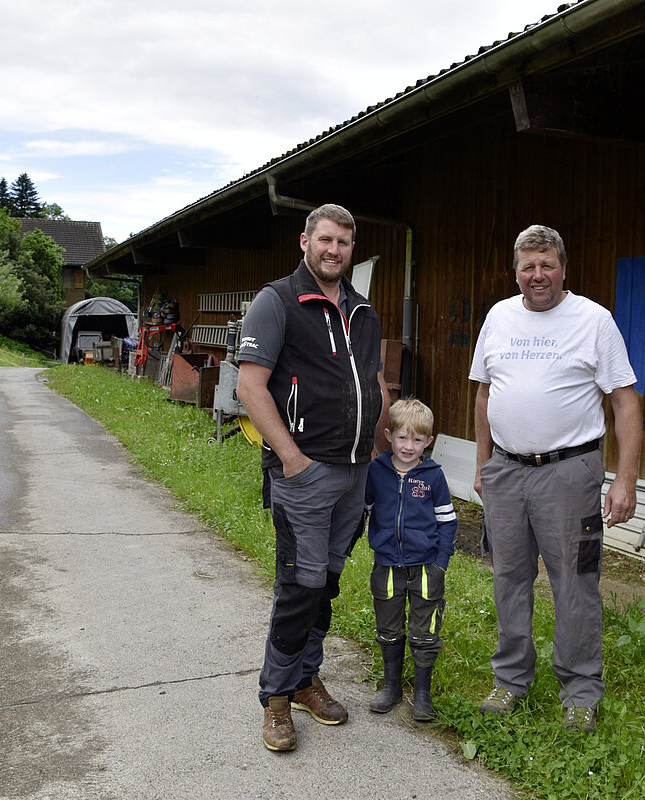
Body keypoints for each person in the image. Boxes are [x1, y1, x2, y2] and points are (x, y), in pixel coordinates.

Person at [469, 224, 641, 734]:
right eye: (528, 266)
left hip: (570, 473)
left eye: (547, 265)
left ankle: (581, 691)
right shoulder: (499, 317)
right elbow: (484, 393)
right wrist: (483, 463)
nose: (537, 275)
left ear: (563, 268)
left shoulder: (593, 320)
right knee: (508, 579)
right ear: (516, 272)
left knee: (575, 583)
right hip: (506, 471)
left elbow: (625, 402)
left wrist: (626, 478)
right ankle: (510, 680)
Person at [236, 203, 391, 752]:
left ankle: (305, 679)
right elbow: (250, 387)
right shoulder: (277, 301)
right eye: (325, 239)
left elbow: (374, 384)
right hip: (305, 472)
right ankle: (276, 699)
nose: (334, 250)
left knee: (326, 582)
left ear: (352, 249)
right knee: (299, 586)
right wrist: (291, 458)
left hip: (355, 472)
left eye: (343, 243)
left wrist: (382, 453)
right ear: (305, 241)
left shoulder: (363, 310)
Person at [364, 398, 458, 722]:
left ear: (428, 441)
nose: (408, 446)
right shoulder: (376, 471)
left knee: (425, 630)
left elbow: (447, 521)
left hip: (426, 567)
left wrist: (441, 562)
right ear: (388, 436)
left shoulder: (433, 476)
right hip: (387, 564)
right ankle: (391, 687)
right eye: (402, 437)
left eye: (417, 440)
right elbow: (363, 509)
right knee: (388, 627)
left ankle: (422, 693)